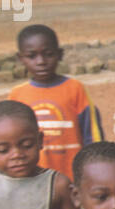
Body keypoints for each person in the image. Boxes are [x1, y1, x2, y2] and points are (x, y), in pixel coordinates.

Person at [8, 24, 103, 182]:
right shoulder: (17, 95)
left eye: (48, 54)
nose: (41, 62)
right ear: (20, 58)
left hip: (72, 176)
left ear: (60, 55)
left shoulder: (75, 89)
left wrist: (95, 167)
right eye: (32, 56)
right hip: (33, 179)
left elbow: (92, 134)